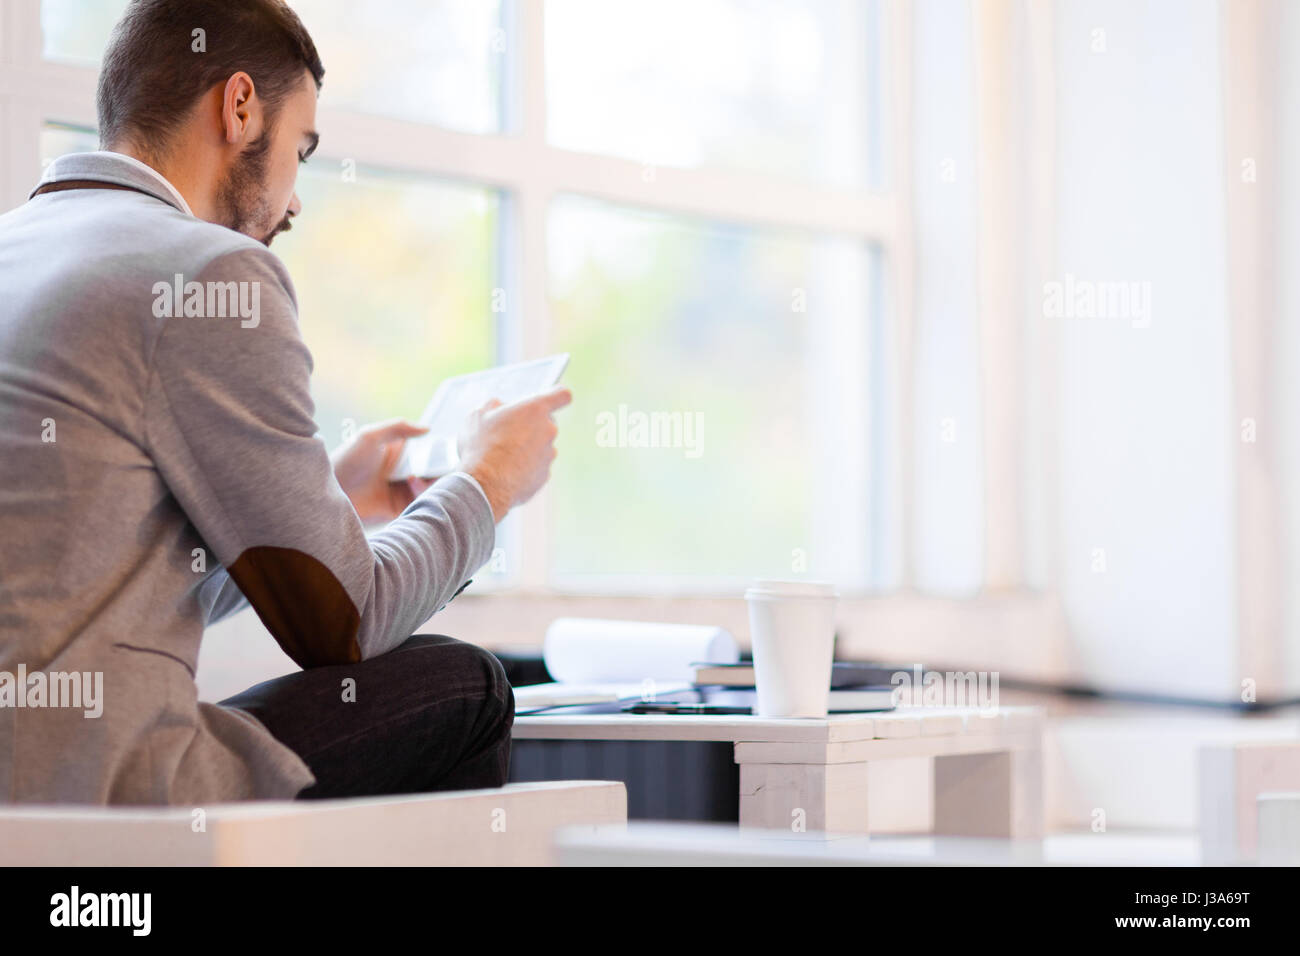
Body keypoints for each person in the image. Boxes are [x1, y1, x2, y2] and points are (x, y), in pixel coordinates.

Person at [0, 0, 568, 804]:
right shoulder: (209, 271)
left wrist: (330, 495)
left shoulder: (18, 247)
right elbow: (350, 625)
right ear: (239, 107)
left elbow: (106, 572)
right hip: (100, 790)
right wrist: (488, 483)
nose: (294, 202)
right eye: (300, 151)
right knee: (465, 681)